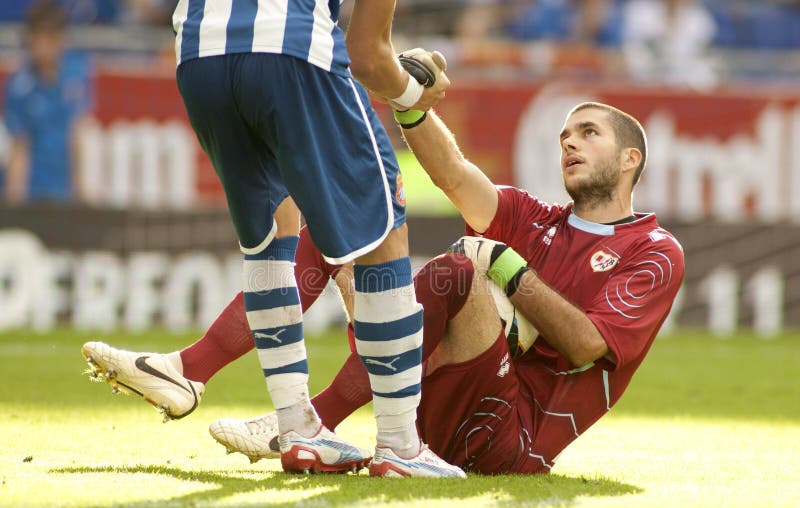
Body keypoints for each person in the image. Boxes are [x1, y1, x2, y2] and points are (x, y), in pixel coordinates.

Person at [83, 85, 684, 474]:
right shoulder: (534, 217)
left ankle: (310, 421)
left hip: (508, 439)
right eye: (564, 136)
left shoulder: (655, 252)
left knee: (457, 271)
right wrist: (411, 102)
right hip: (425, 407)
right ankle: (192, 369)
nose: (569, 142)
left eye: (588, 133)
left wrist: (504, 265)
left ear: (630, 159)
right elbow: (453, 173)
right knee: (347, 224)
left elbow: (586, 347)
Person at [82, 1, 462, 478]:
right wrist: (413, 93)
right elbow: (367, 57)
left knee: (271, 237)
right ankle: (401, 447)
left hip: (198, 56)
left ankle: (297, 426)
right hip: (290, 51)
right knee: (382, 235)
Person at [3, 0, 93, 204]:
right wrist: (13, 202)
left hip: (65, 192)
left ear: (61, 39)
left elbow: (76, 135)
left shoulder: (76, 74)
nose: (43, 47)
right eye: (37, 39)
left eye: (49, 39)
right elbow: (19, 147)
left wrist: (81, 192)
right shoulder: (19, 86)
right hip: (33, 192)